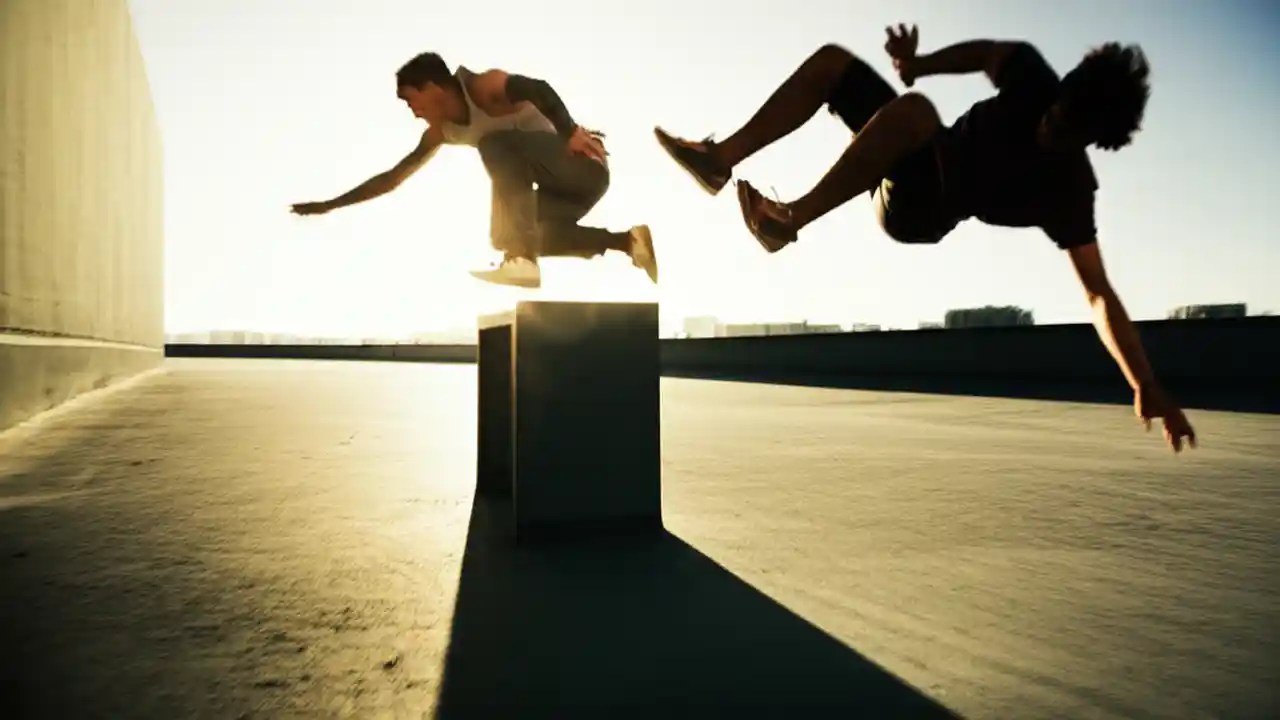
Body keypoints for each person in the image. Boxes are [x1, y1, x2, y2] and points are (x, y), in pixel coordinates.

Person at [653, 25, 1197, 452]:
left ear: (1091, 140)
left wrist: (1142, 381)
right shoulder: (1034, 77)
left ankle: (787, 220)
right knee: (834, 64)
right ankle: (719, 159)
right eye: (1054, 111)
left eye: (1063, 131)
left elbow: (1098, 292)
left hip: (923, 209)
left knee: (916, 115)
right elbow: (985, 54)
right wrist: (917, 65)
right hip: (896, 153)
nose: (1047, 127)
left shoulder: (1070, 189)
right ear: (1061, 88)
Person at [291, 52, 657, 289]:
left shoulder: (483, 87)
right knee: (507, 235)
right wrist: (330, 205)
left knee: (494, 144)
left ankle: (522, 259)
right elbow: (393, 178)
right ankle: (627, 242)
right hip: (563, 194)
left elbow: (539, 88)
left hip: (581, 167)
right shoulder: (441, 132)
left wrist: (570, 131)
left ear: (432, 87)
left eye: (412, 100)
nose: (413, 111)